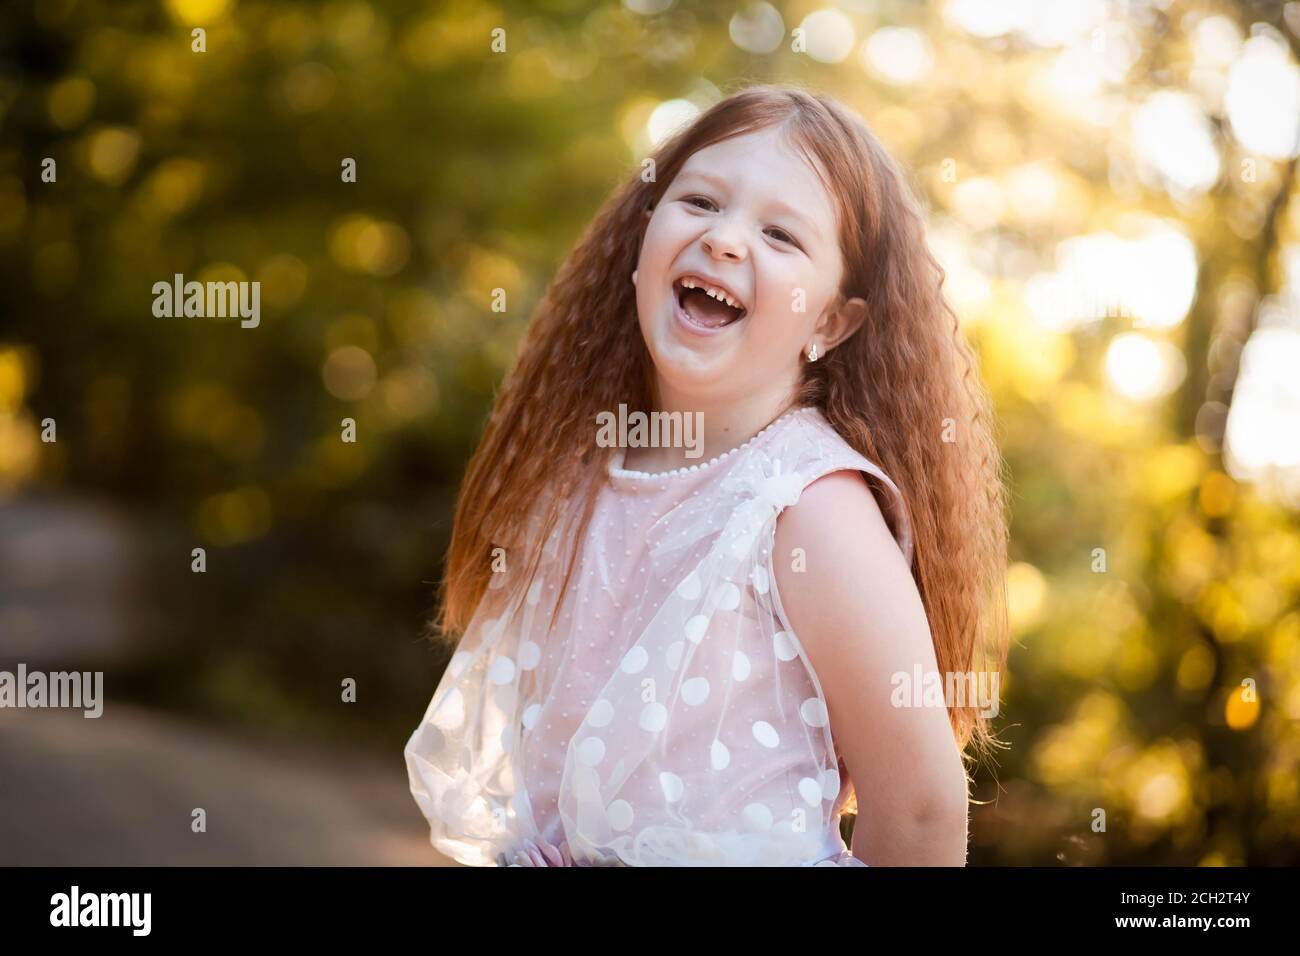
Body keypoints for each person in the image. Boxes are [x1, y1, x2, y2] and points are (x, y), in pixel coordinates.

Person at [405, 83, 1009, 867]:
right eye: (699, 202)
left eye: (781, 235)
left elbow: (922, 815)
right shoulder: (577, 474)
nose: (725, 240)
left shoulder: (809, 510)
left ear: (830, 322)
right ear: (642, 238)